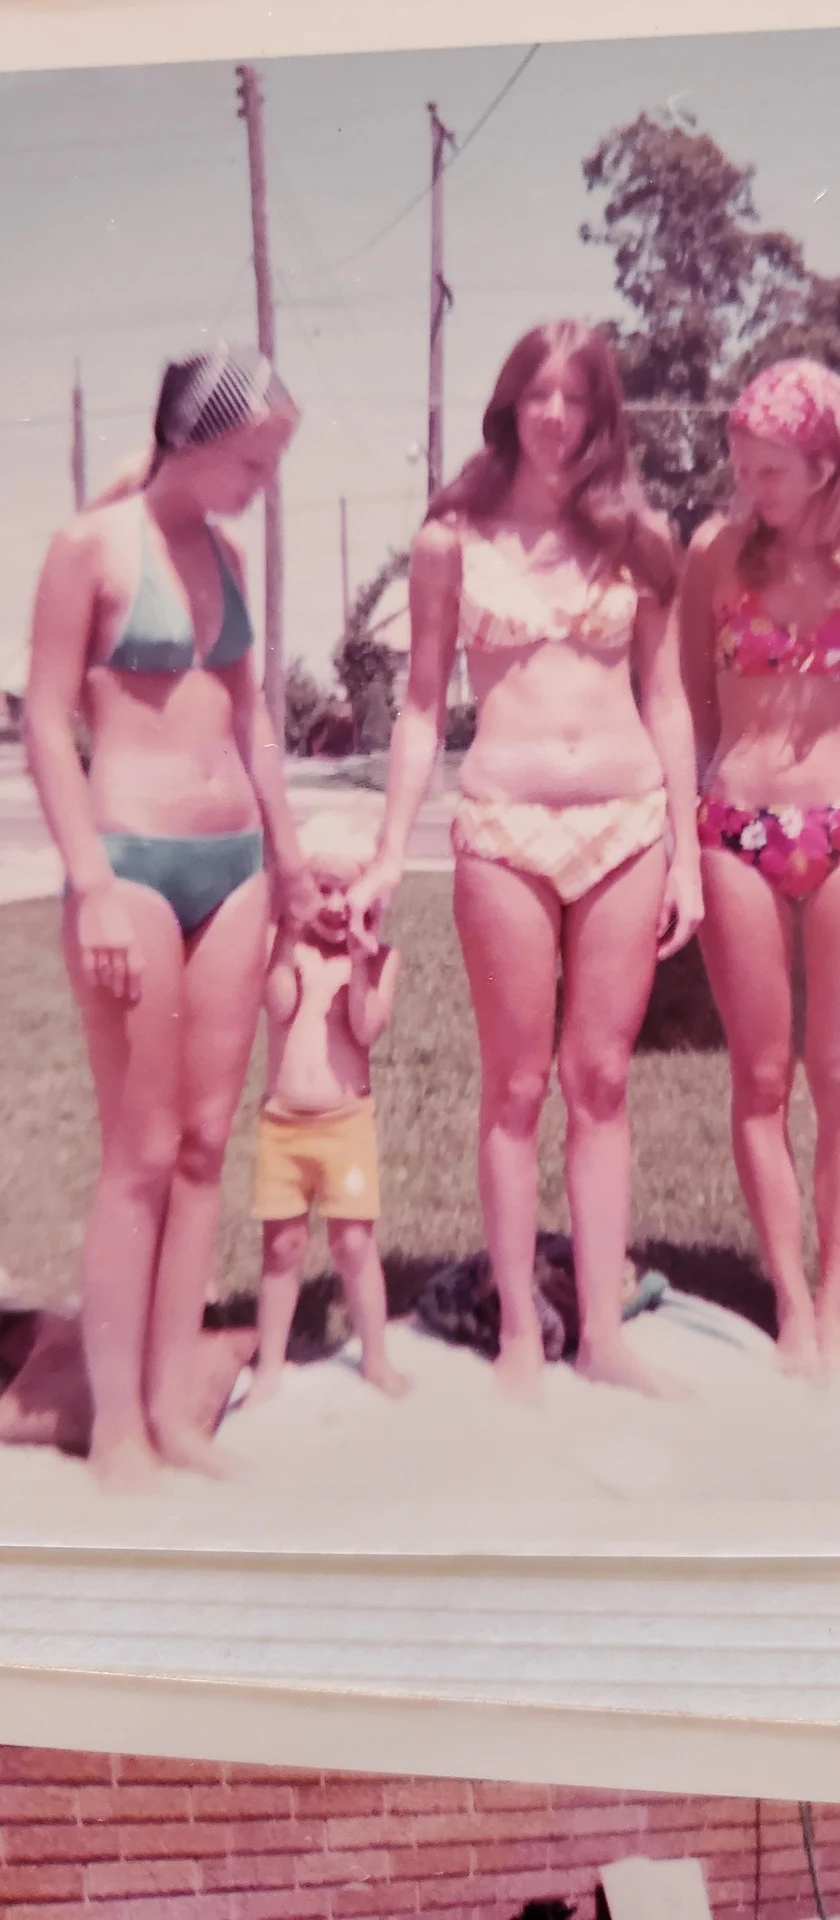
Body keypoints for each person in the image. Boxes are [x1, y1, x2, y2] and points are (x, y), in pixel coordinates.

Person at [347, 318, 703, 1402]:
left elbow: (669, 698)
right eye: (537, 395)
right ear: (509, 404)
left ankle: (602, 1331)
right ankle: (517, 1333)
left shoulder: (641, 536)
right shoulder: (452, 538)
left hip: (626, 825)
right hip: (502, 827)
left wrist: (686, 851)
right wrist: (381, 853)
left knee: (600, 1083)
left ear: (602, 413)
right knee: (515, 1084)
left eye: (577, 397)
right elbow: (419, 711)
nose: (555, 415)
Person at [24, 344, 311, 1491]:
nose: (263, 481)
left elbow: (257, 728)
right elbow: (47, 721)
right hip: (132, 865)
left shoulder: (228, 557)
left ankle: (171, 1408)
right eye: (253, 458)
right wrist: (89, 878)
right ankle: (118, 1434)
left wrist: (287, 859)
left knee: (204, 1147)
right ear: (194, 440)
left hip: (235, 866)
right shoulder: (90, 549)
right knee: (137, 1153)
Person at [679, 357, 840, 1377]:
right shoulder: (716, 554)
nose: (749, 489)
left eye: (770, 472)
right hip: (738, 827)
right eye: (741, 467)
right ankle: (788, 1298)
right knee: (761, 1078)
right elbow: (693, 700)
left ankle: (839, 1304)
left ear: (827, 464)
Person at [247, 809, 410, 1407]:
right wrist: (287, 935)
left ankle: (375, 1358)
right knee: (282, 1246)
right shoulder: (284, 950)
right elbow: (278, 1006)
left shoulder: (379, 958)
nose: (338, 904)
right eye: (323, 889)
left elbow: (365, 1031)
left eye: (350, 890)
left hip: (346, 1126)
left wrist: (363, 965)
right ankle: (268, 1365)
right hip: (283, 1127)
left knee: (353, 1244)